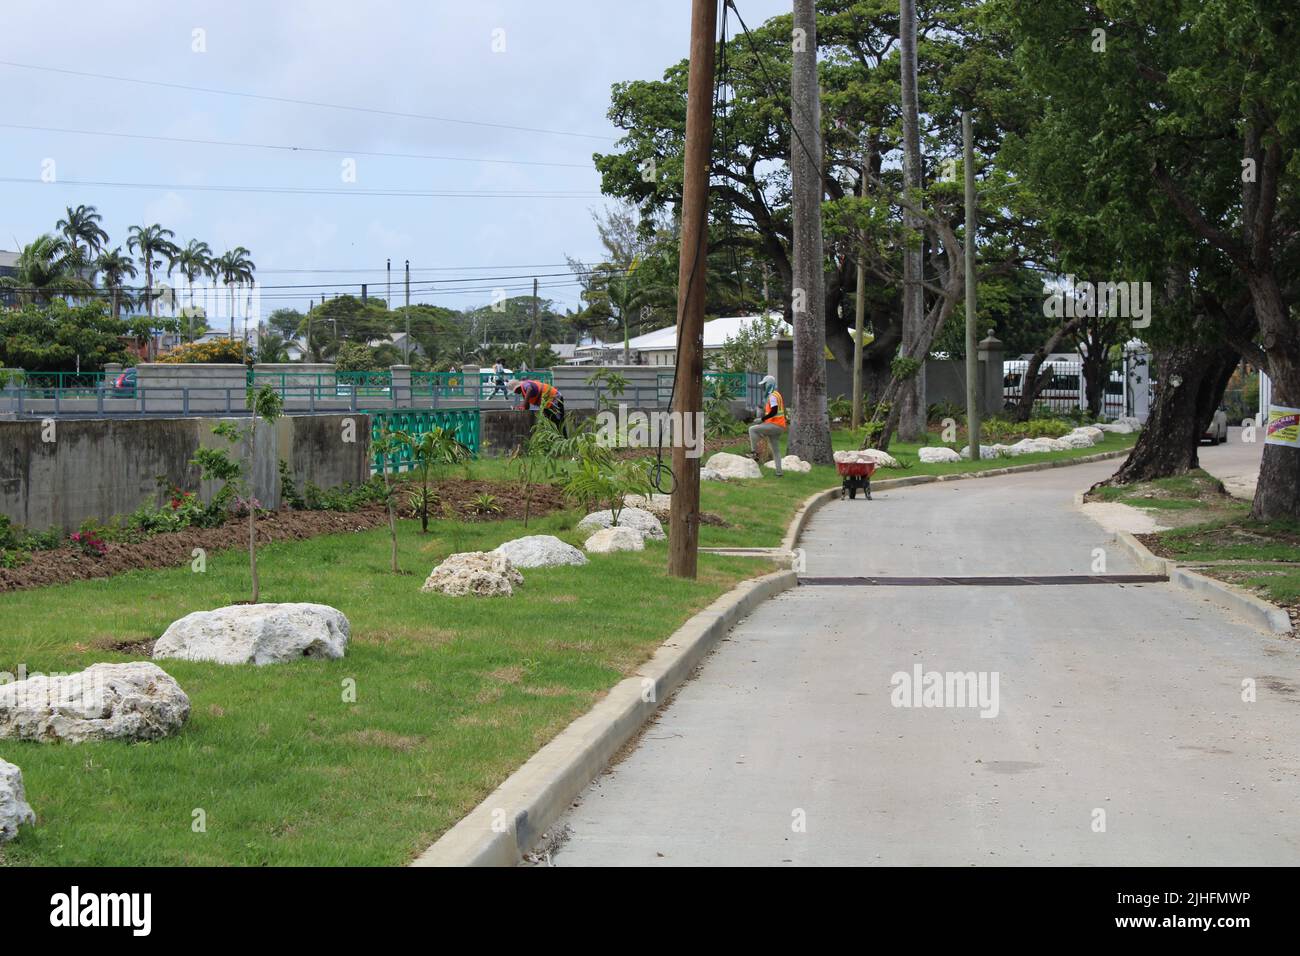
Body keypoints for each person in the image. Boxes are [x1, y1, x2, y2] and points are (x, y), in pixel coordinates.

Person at [749, 374, 787, 476]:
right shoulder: (777, 394)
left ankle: (754, 453)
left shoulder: (772, 396)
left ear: (769, 384)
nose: (763, 387)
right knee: (776, 450)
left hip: (774, 425)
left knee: (752, 429)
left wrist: (761, 419)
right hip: (780, 426)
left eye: (764, 384)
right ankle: (779, 472)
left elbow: (774, 411)